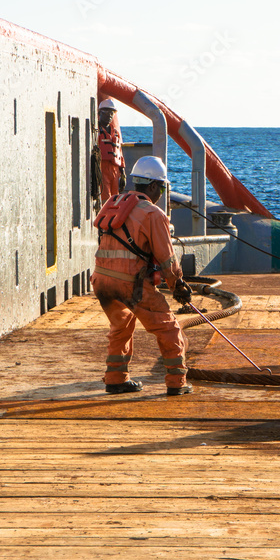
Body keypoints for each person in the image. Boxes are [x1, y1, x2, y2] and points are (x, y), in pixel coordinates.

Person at [91, 156, 194, 395]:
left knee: (121, 325)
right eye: (161, 187)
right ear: (152, 186)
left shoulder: (114, 202)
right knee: (168, 327)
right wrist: (178, 285)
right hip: (129, 284)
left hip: (101, 281)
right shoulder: (153, 214)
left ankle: (116, 378)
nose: (161, 192)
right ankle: (177, 383)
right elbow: (167, 259)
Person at [97, 98, 126, 203]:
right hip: (102, 169)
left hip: (115, 171)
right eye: (107, 112)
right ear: (100, 113)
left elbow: (120, 153)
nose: (110, 115)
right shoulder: (96, 131)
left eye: (112, 113)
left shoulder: (115, 132)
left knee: (116, 200)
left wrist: (123, 173)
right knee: (105, 200)